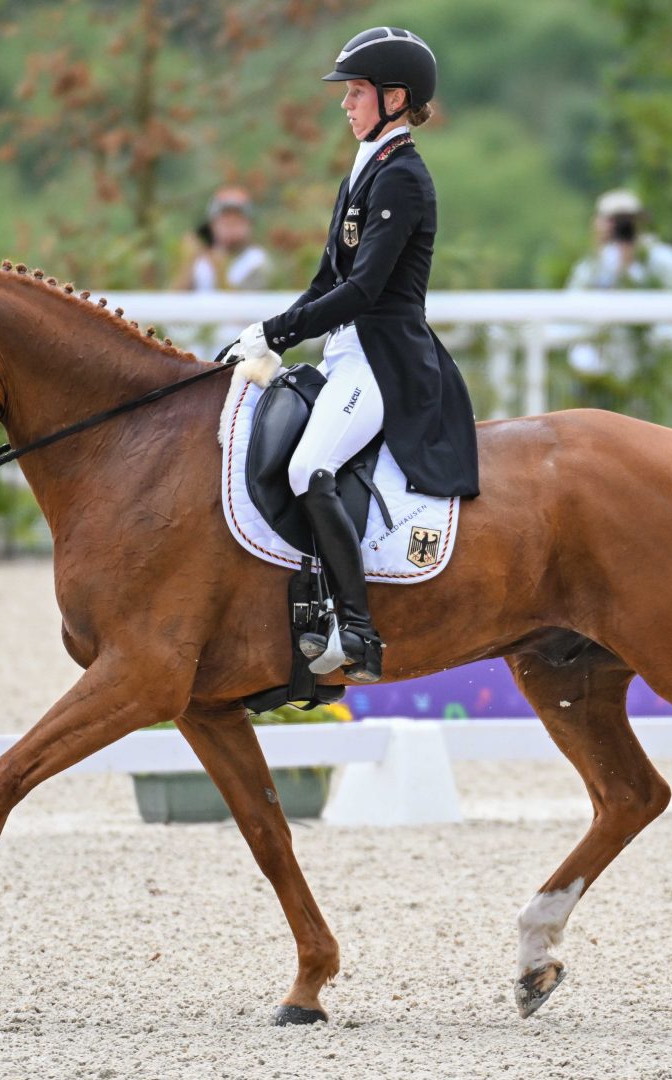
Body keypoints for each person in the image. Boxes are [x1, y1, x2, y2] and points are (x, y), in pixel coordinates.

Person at [225, 26, 478, 684]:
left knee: (309, 467)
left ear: (396, 98)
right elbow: (324, 283)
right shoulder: (363, 172)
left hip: (384, 361)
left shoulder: (404, 180)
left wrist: (277, 333)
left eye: (357, 92)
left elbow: (364, 291)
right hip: (347, 352)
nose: (345, 103)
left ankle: (358, 630)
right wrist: (262, 333)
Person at [563, 189, 672, 380]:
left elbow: (668, 288)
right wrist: (600, 252)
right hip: (597, 360)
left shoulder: (661, 258)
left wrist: (632, 259)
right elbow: (571, 304)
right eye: (615, 221)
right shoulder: (592, 265)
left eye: (627, 221)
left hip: (645, 358)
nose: (622, 227)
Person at [173, 186, 273, 294]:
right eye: (225, 220)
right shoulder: (200, 260)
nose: (231, 226)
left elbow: (245, 303)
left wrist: (219, 270)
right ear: (212, 225)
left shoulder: (257, 261)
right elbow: (174, 299)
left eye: (237, 220)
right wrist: (189, 261)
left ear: (249, 224)